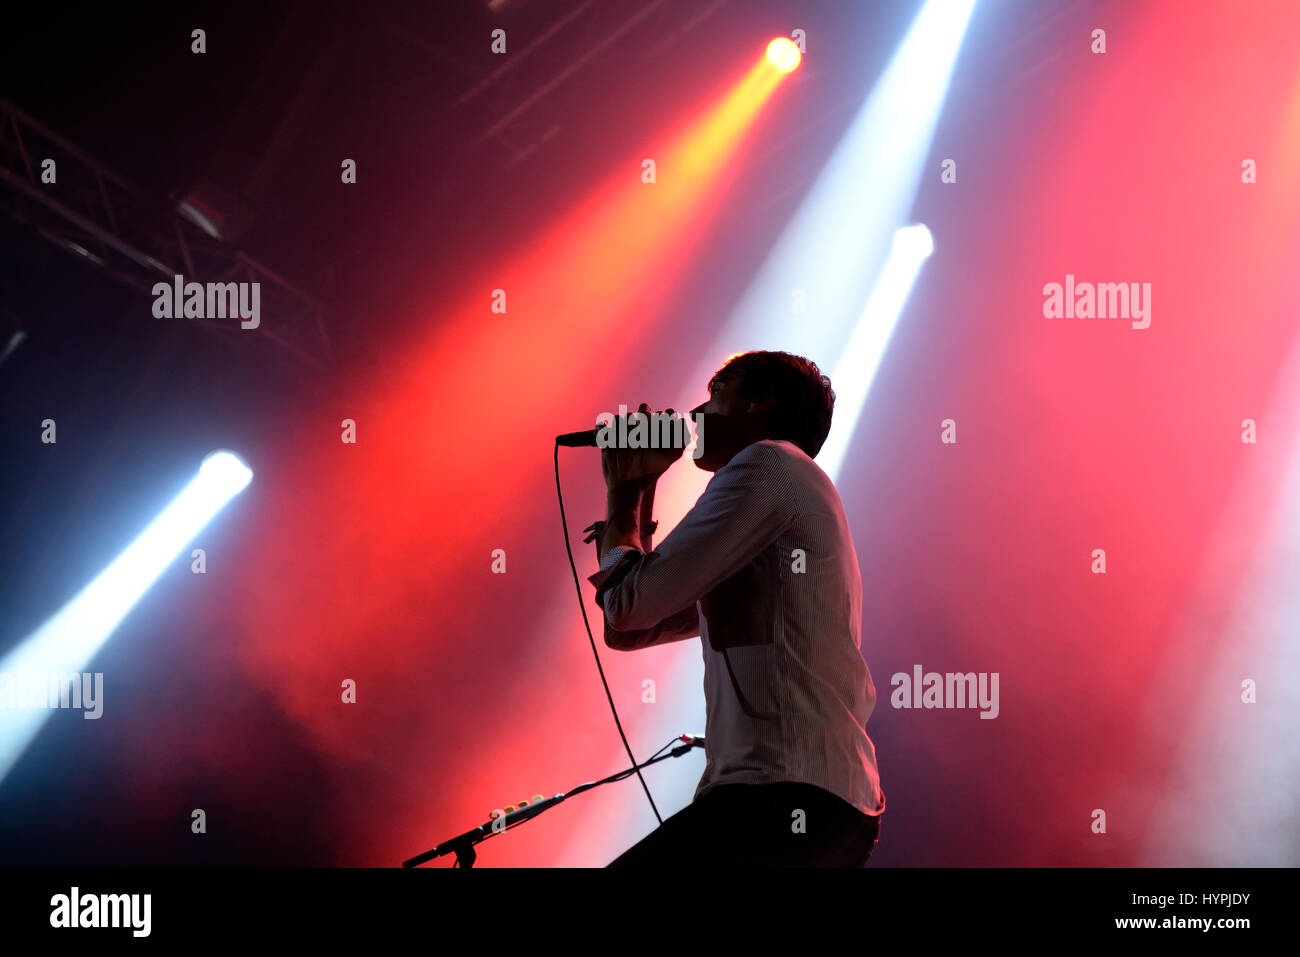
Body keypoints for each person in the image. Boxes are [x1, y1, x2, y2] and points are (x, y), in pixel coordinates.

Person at [588, 350, 886, 867]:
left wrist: (624, 490)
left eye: (713, 395)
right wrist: (641, 490)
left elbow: (628, 607)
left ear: (757, 401)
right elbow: (630, 627)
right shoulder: (787, 489)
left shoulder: (769, 464)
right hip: (811, 799)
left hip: (781, 793)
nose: (696, 414)